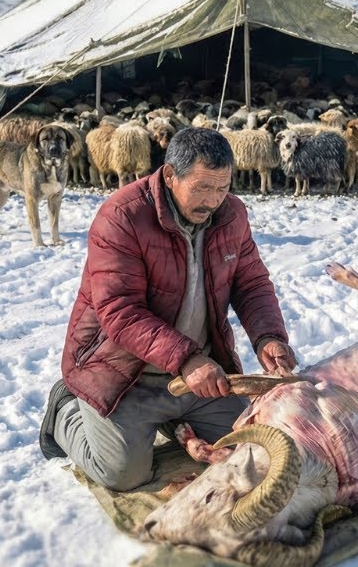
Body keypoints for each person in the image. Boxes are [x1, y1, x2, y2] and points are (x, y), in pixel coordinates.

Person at [38, 127, 297, 491]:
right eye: (203, 188)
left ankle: (172, 422)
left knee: (258, 451)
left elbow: (251, 283)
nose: (214, 200)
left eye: (222, 188)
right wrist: (187, 360)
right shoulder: (122, 216)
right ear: (171, 175)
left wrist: (268, 337)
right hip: (126, 375)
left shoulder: (231, 214)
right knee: (123, 474)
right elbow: (120, 310)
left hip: (199, 375)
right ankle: (67, 406)